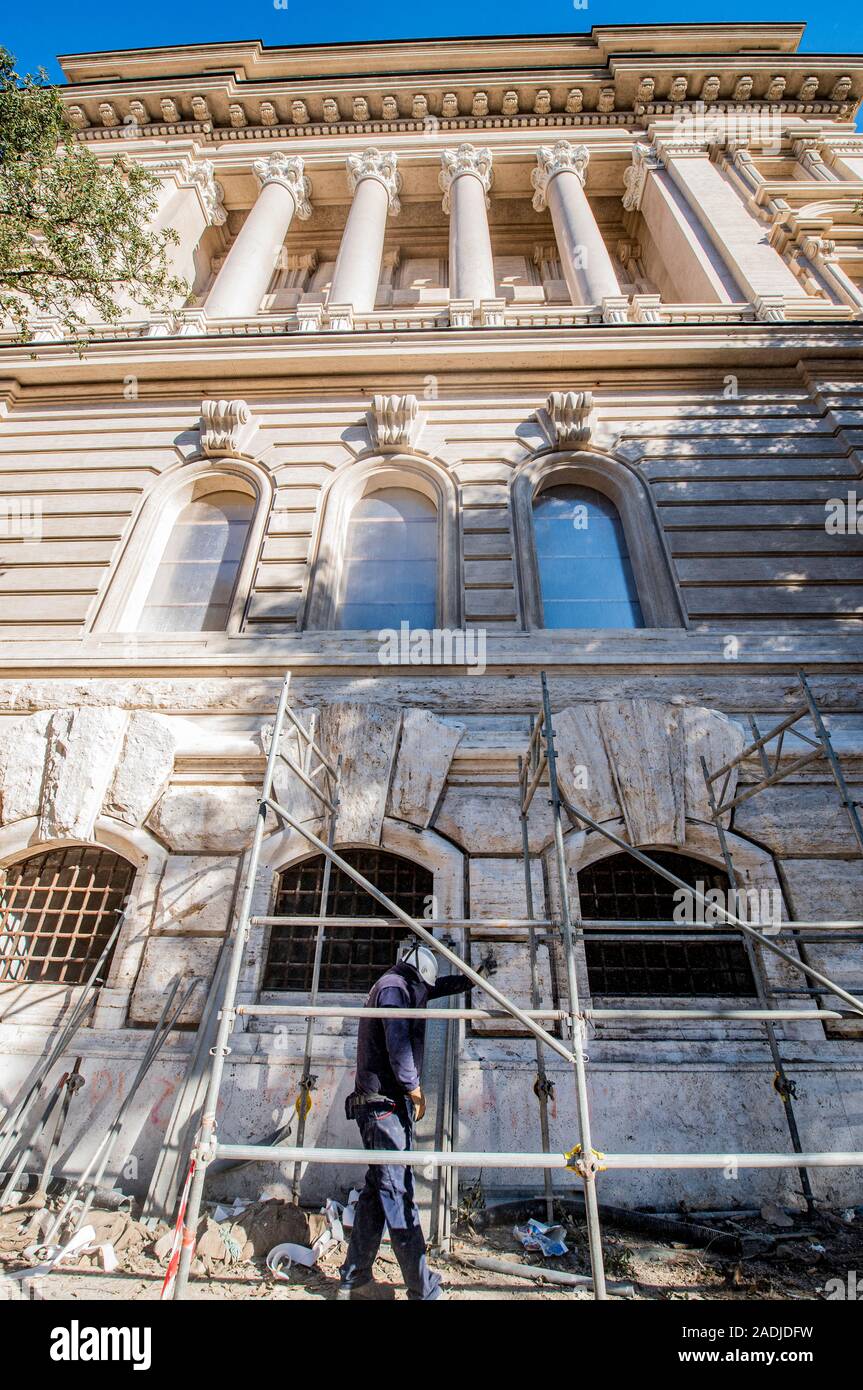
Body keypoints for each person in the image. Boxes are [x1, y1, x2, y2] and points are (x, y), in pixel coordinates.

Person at [337, 940, 471, 1301]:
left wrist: (471, 979)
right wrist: (414, 1088)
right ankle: (423, 1289)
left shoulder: (403, 985)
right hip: (383, 1109)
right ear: (416, 976)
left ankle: (354, 1279)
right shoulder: (395, 988)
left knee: (376, 1193)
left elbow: (436, 988)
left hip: (384, 1107)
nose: (426, 994)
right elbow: (397, 1041)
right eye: (424, 989)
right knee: (396, 1191)